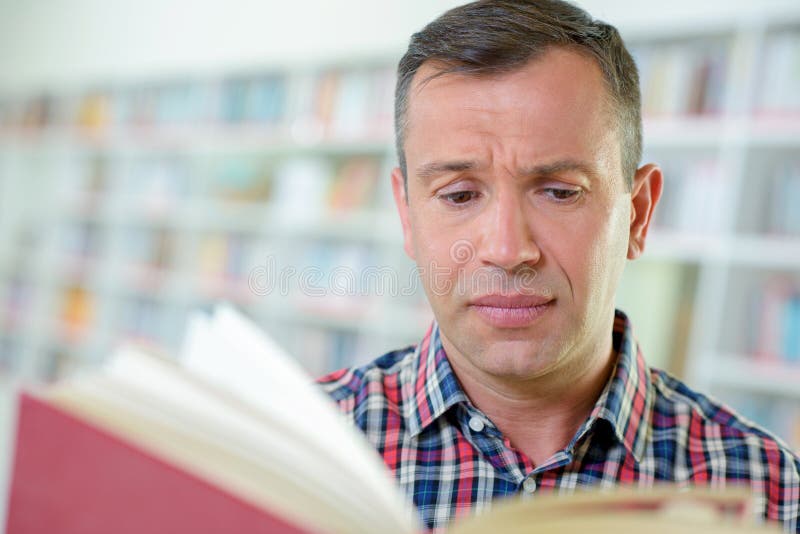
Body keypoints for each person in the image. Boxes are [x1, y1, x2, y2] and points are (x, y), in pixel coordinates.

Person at [317, 1, 800, 532]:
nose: (507, 249)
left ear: (637, 214)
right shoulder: (304, 449)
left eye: (558, 192)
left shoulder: (771, 494)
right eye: (458, 196)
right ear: (407, 214)